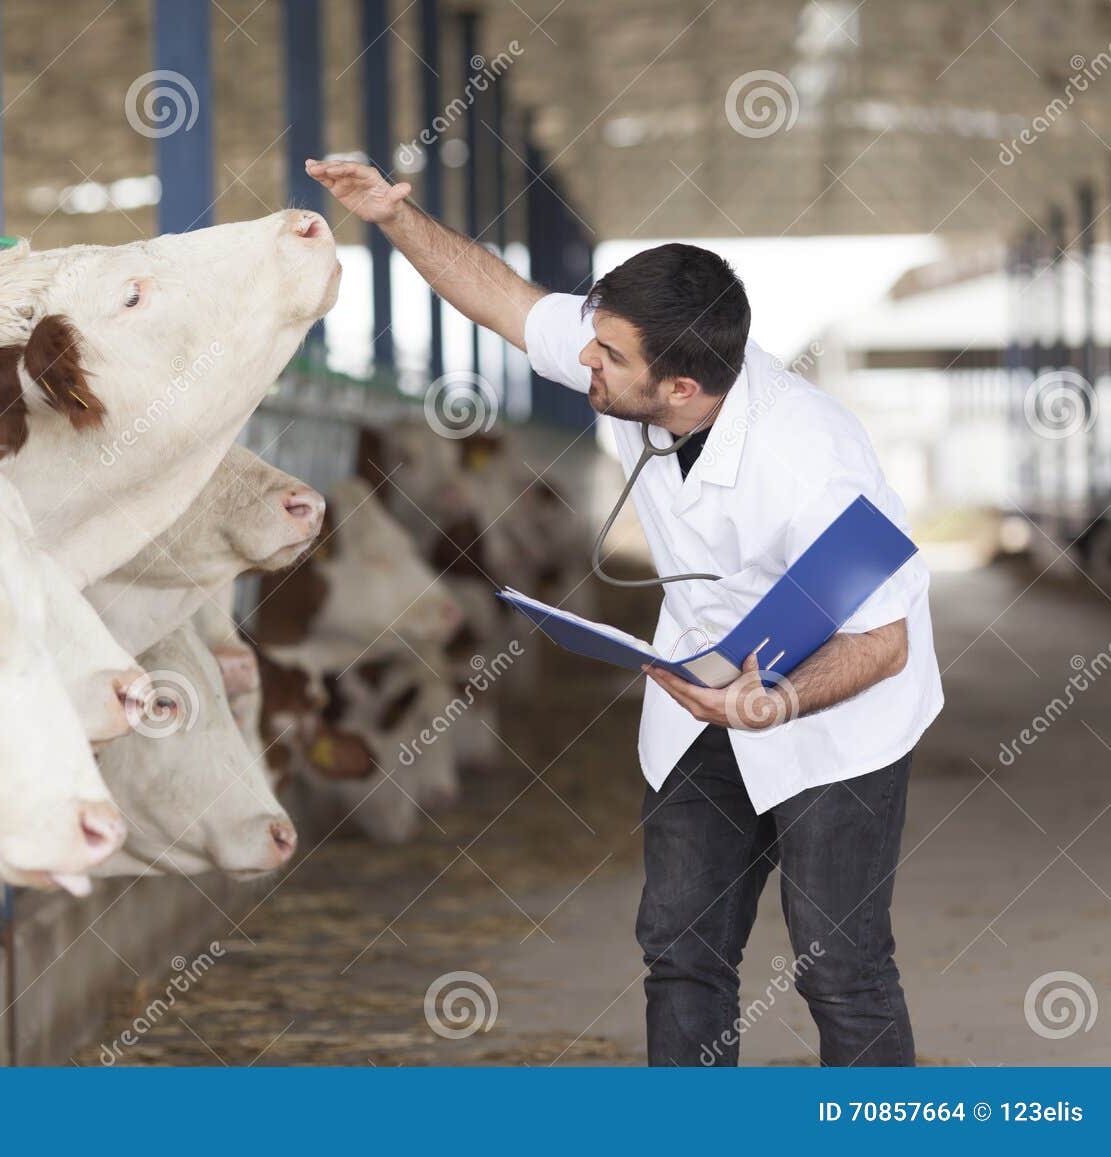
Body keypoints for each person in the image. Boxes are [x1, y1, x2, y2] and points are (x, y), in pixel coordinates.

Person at [307, 158, 943, 1067]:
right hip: (700, 687)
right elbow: (503, 299)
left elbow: (884, 638)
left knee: (840, 966)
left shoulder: (814, 462)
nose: (585, 362)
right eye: (593, 343)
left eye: (607, 357)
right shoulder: (640, 349)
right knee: (681, 951)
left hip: (835, 718)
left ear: (681, 386)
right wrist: (391, 216)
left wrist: (777, 700)